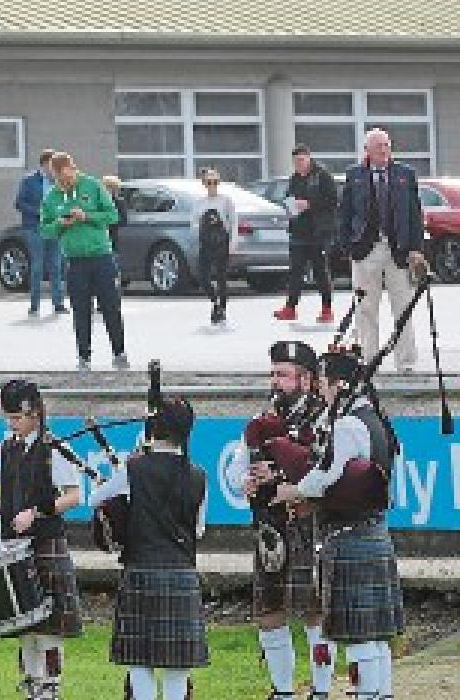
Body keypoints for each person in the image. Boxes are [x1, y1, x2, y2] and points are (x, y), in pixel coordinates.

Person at [273, 347, 404, 700]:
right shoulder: (378, 419)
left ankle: (366, 696)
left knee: (360, 637)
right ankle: (381, 695)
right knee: (376, 635)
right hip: (377, 530)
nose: (322, 392)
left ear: (341, 384)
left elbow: (329, 474)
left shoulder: (348, 424)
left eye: (326, 384)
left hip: (349, 534)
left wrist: (294, 490)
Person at [226, 341, 334, 699]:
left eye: (283, 375)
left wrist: (287, 480)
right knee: (270, 611)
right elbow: (234, 471)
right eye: (273, 374)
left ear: (306, 379)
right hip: (270, 528)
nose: (275, 382)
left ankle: (320, 691)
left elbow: (328, 471)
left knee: (315, 612)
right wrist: (246, 480)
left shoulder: (325, 417)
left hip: (308, 524)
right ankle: (284, 691)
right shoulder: (260, 422)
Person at [89, 396, 208, 700]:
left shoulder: (134, 468)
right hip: (182, 574)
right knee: (177, 669)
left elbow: (96, 499)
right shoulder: (199, 476)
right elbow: (198, 530)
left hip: (141, 571)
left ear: (152, 428)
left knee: (140, 664)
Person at [0, 380, 84, 699]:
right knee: (24, 625)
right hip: (12, 546)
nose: (12, 425)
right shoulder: (4, 448)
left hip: (45, 544)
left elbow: (74, 496)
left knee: (49, 627)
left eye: (17, 418)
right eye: (8, 418)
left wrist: (36, 512)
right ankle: (31, 684)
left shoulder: (54, 448)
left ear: (36, 414)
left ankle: (50, 686)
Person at [338, 128, 427, 373]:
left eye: (387, 145)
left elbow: (415, 214)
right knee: (366, 308)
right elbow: (344, 213)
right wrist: (346, 245)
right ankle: (368, 361)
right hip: (366, 251)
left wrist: (417, 248)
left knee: (403, 306)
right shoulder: (354, 175)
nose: (384, 150)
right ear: (366, 150)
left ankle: (406, 362)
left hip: (398, 250)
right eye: (378, 146)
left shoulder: (404, 174)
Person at [39, 153, 128, 371]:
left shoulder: (92, 185)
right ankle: (84, 356)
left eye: (66, 177)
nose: (64, 182)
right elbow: (44, 229)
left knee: (111, 306)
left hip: (101, 256)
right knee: (80, 310)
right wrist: (60, 223)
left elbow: (113, 215)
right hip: (75, 261)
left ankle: (119, 352)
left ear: (72, 168)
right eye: (58, 179)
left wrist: (87, 216)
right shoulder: (52, 197)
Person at [275, 146, 338, 323]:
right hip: (298, 231)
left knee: (320, 272)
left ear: (309, 159)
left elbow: (333, 200)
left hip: (318, 232)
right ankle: (290, 308)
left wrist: (310, 204)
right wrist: (290, 206)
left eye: (302, 161)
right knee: (295, 271)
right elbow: (289, 197)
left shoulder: (322, 176)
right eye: (296, 162)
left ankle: (327, 309)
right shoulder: (294, 178)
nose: (299, 165)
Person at [16, 150, 66, 317]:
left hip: (54, 227)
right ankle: (34, 304)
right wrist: (38, 212)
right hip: (34, 228)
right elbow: (19, 203)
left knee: (56, 266)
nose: (55, 168)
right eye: (52, 164)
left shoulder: (58, 181)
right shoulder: (29, 180)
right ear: (44, 164)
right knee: (37, 266)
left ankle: (58, 303)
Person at [191, 168, 237, 326]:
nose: (212, 185)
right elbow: (193, 223)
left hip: (221, 243)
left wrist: (232, 243)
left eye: (215, 182)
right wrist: (198, 232)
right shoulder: (199, 203)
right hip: (206, 244)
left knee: (221, 277)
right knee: (203, 277)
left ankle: (221, 308)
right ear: (204, 184)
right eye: (209, 182)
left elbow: (233, 222)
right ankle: (214, 300)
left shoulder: (226, 200)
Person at [102, 175, 127, 254]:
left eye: (108, 187)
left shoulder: (119, 202)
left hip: (112, 238)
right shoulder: (99, 202)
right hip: (99, 239)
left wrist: (108, 220)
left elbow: (123, 220)